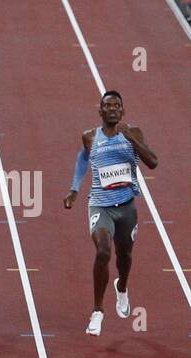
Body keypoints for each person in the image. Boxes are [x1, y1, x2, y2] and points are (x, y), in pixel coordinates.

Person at [64, 90, 158, 336]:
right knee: (103, 250)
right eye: (108, 105)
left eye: (118, 105)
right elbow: (82, 159)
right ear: (101, 111)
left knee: (124, 257)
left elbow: (153, 162)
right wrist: (74, 189)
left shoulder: (133, 133)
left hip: (126, 207)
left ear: (123, 111)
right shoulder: (89, 137)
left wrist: (131, 139)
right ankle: (97, 311)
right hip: (100, 205)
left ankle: (122, 287)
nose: (113, 108)